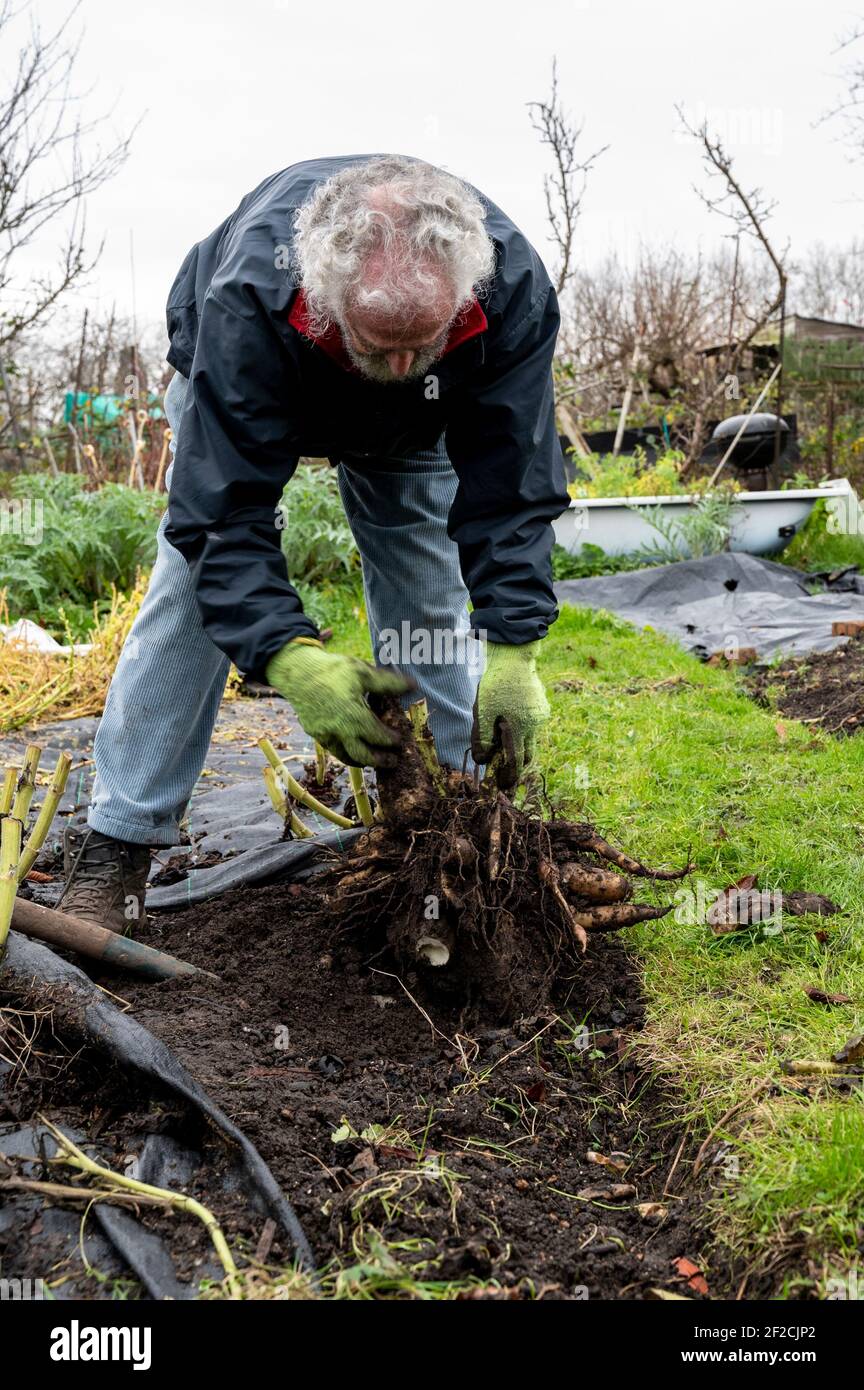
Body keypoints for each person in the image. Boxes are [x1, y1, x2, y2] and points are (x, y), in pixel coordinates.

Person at [58, 154, 568, 932]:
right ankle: (118, 845)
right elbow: (222, 518)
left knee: (422, 579)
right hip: (261, 377)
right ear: (325, 298)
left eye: (419, 343)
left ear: (462, 297)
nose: (399, 367)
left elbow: (514, 484)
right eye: (379, 344)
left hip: (423, 421)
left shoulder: (513, 291)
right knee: (191, 583)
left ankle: (473, 828)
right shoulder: (248, 303)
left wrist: (516, 646)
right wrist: (287, 656)